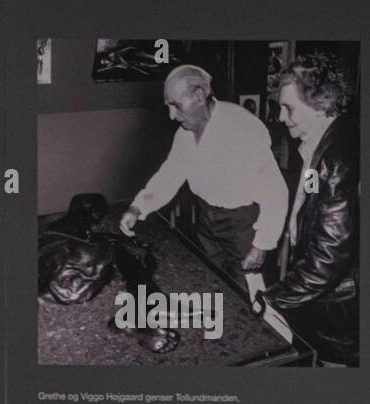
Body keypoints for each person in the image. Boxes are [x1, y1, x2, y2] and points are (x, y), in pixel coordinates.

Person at [120, 64, 288, 277]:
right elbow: (169, 174)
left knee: (248, 294)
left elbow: (276, 192)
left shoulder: (242, 127)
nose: (172, 116)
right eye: (168, 107)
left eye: (176, 105)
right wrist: (138, 207)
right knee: (211, 284)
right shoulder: (185, 133)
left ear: (199, 96)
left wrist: (262, 244)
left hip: (243, 225)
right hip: (206, 219)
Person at [254, 52, 360, 366]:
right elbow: (313, 206)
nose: (282, 118)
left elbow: (328, 259)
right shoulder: (320, 144)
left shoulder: (338, 159)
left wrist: (272, 298)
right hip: (323, 302)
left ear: (321, 103)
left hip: (339, 316)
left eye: (288, 108)